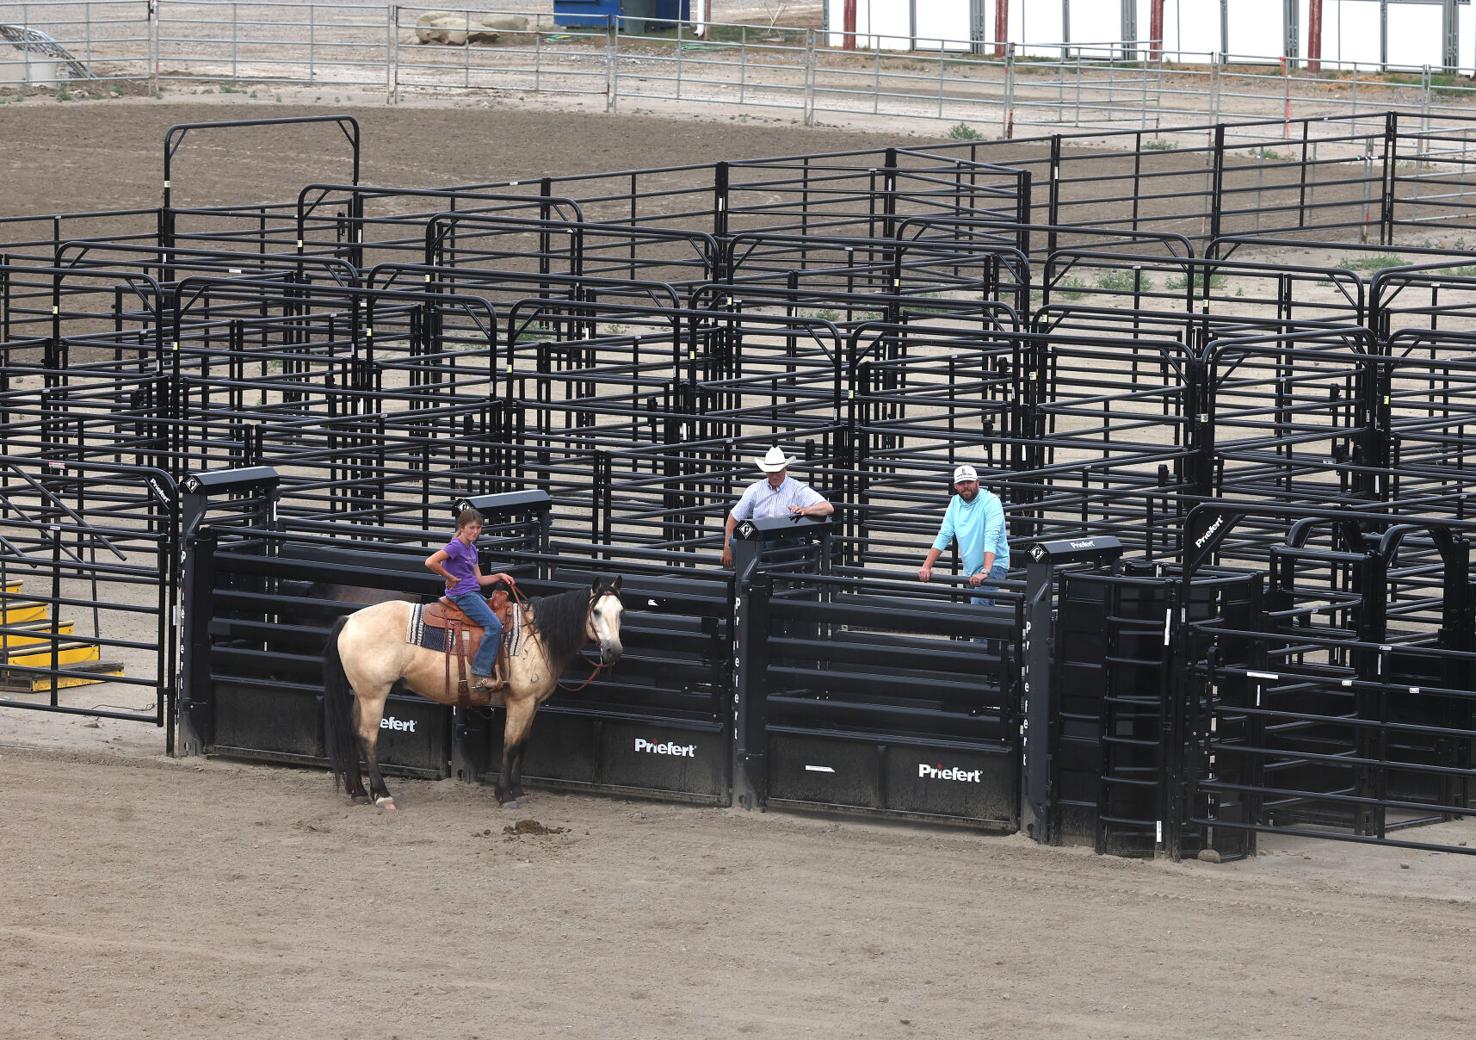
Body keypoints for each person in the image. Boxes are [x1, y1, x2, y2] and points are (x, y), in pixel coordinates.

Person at [424, 507, 518, 690]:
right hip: (462, 595)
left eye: (479, 528)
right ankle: (480, 674)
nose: (476, 532)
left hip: (472, 593)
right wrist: (449, 577)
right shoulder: (456, 546)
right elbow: (430, 562)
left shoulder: (472, 549)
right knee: (493, 625)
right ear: (462, 527)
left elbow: (480, 580)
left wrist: (499, 576)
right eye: (472, 528)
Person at [721, 445, 834, 568]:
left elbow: (827, 507)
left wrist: (806, 509)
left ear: (785, 469)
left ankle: (761, 574)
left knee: (776, 542)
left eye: (778, 471)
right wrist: (727, 546)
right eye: (771, 472)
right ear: (766, 471)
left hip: (785, 538)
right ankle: (746, 575)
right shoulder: (755, 489)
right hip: (760, 536)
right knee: (736, 539)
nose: (774, 476)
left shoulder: (797, 489)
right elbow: (734, 517)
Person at [917, 463, 1010, 607]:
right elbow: (944, 534)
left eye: (969, 482)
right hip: (970, 567)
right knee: (982, 609)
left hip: (994, 564)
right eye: (961, 483)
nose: (966, 486)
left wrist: (986, 571)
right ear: (955, 486)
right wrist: (926, 566)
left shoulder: (991, 502)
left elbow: (992, 536)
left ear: (977, 482)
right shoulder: (955, 502)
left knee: (978, 603)